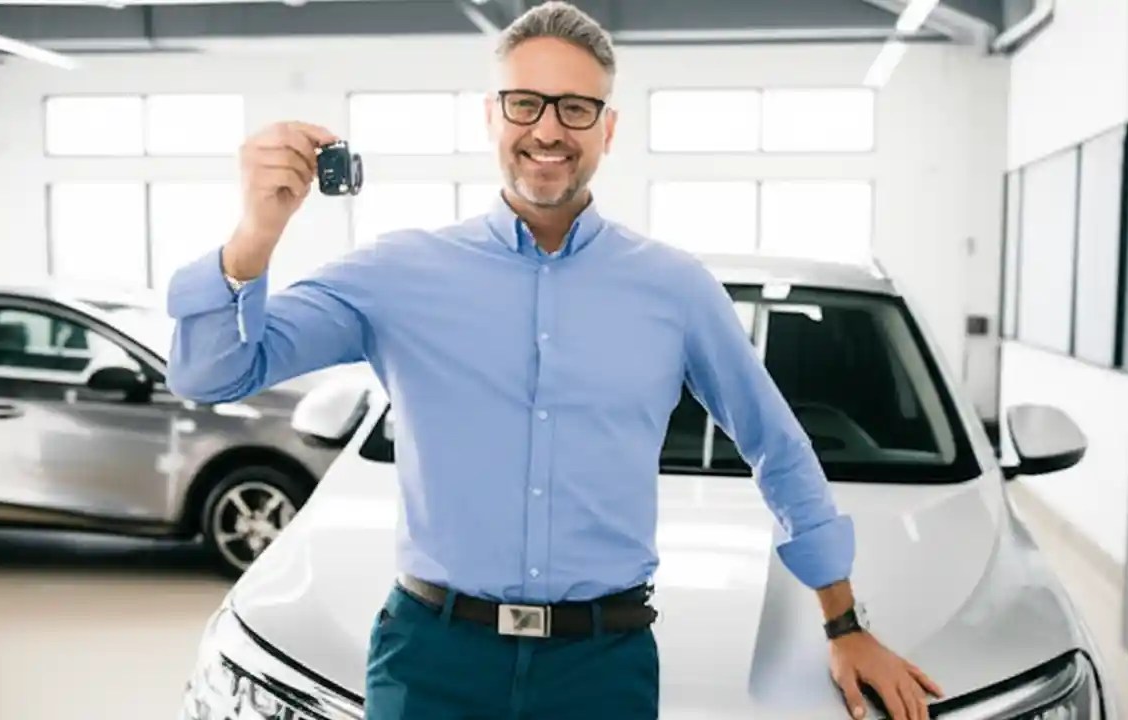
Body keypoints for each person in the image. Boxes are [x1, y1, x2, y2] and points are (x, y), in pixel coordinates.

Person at [164, 2, 944, 718]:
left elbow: (777, 446)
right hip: (431, 660)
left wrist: (844, 621)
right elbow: (213, 373)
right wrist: (255, 235)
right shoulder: (397, 275)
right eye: (525, 103)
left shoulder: (673, 288)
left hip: (601, 667)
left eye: (576, 108)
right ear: (492, 117)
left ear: (607, 130)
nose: (548, 129)